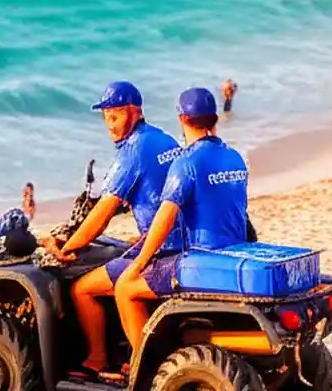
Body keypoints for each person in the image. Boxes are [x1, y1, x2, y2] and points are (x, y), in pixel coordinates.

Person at [41, 81, 184, 381]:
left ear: (135, 112)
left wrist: (68, 248)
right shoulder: (164, 139)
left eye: (116, 116)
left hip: (162, 249)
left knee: (82, 289)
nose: (110, 124)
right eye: (106, 116)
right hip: (180, 238)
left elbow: (103, 214)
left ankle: (98, 360)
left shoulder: (132, 151)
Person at [113, 88, 249, 359]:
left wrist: (138, 264)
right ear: (215, 119)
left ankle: (148, 371)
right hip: (233, 251)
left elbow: (164, 219)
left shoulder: (186, 162)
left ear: (182, 119)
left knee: (125, 288)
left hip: (200, 260)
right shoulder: (235, 157)